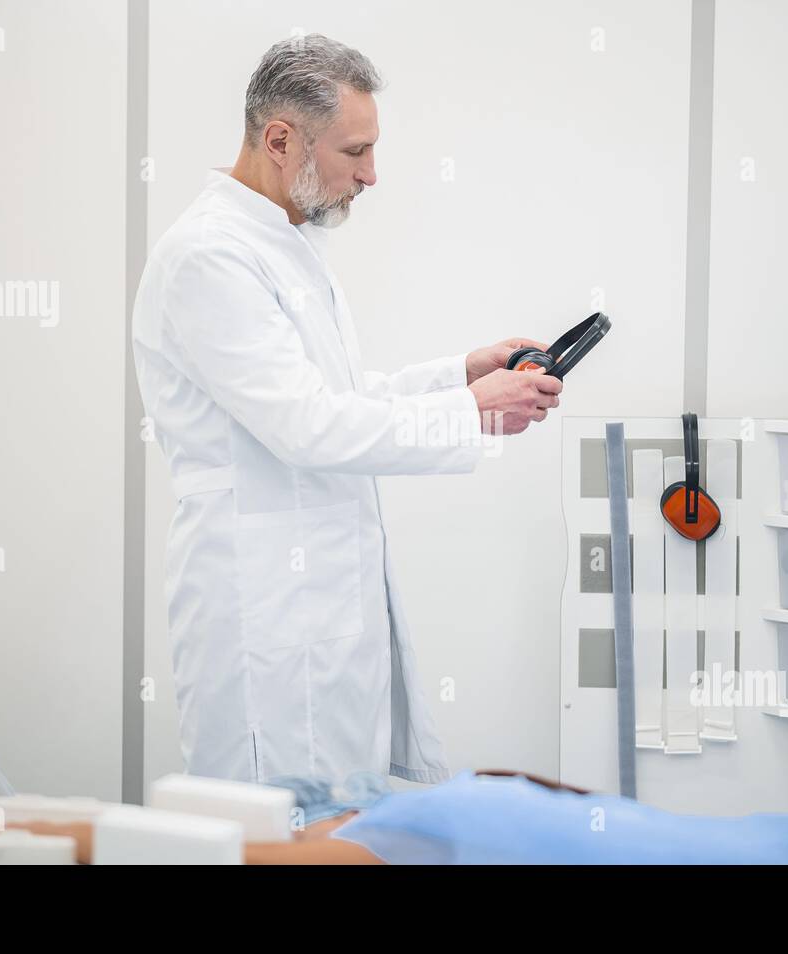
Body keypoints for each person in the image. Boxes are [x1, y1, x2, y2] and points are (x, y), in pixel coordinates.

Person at [131, 34, 562, 786]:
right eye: (355, 152)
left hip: (321, 608)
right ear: (279, 139)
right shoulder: (209, 257)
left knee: (342, 817)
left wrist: (459, 375)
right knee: (282, 827)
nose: (371, 175)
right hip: (264, 615)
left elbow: (340, 400)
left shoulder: (285, 245)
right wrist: (468, 409)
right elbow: (307, 427)